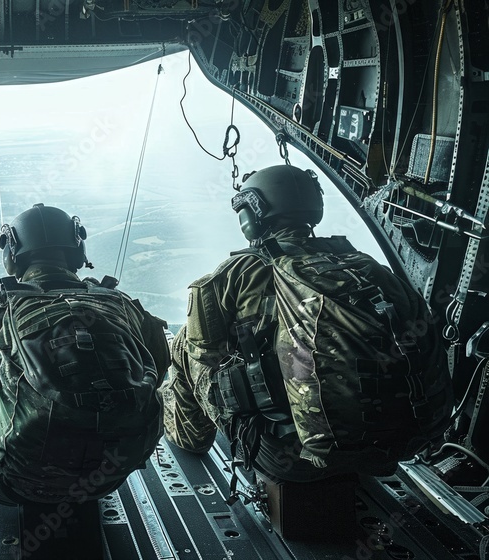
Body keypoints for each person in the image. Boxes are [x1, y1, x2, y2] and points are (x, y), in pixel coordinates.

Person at [160, 165, 453, 484]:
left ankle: (188, 438)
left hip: (287, 460)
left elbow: (206, 355)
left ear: (252, 215)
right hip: (392, 452)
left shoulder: (238, 272)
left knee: (185, 342)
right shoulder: (367, 266)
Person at [0, 203, 170, 505]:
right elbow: (156, 373)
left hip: (16, 483)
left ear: (11, 254)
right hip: (109, 477)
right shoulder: (121, 306)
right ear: (77, 251)